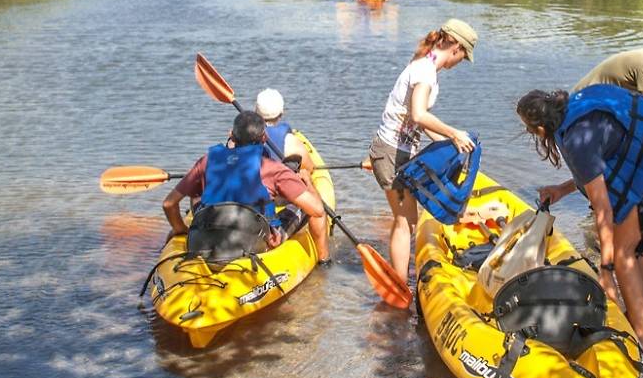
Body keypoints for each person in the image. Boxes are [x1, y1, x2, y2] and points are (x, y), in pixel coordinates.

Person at [517, 84, 643, 358]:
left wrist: (606, 271)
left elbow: (603, 210)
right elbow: (603, 160)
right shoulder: (578, 106)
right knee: (640, 241)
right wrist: (562, 189)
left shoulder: (575, 139)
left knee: (621, 254)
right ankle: (637, 316)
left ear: (540, 129)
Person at [367, 19, 477, 282]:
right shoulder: (425, 71)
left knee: (409, 220)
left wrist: (450, 145)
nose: (459, 63)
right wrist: (454, 133)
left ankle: (402, 276)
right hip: (392, 152)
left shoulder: (424, 65)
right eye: (463, 57)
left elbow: (416, 121)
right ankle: (400, 282)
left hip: (397, 150)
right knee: (405, 221)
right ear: (456, 48)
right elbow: (418, 114)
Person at [163, 110, 330, 262]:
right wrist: (308, 182)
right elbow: (316, 210)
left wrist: (181, 229)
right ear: (264, 138)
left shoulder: (206, 161)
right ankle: (324, 261)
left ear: (231, 136)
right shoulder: (272, 169)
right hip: (256, 244)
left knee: (196, 192)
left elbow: (169, 204)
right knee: (313, 207)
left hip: (207, 239)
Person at [254, 87, 313, 168]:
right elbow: (310, 167)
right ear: (281, 113)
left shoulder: (242, 137)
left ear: (256, 112)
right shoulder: (290, 141)